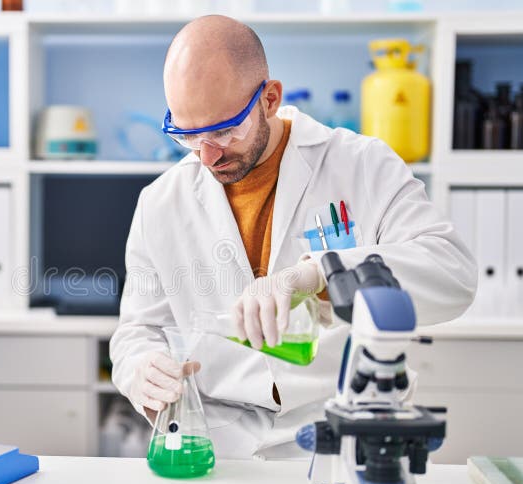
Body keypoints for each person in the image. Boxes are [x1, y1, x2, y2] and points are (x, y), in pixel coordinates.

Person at [109, 15, 476, 459]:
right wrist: (140, 370)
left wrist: (322, 274)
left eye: (225, 131)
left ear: (270, 99)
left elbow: (453, 275)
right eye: (187, 135)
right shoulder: (160, 203)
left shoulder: (361, 164)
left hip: (344, 435)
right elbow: (138, 331)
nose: (207, 155)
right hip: (218, 445)